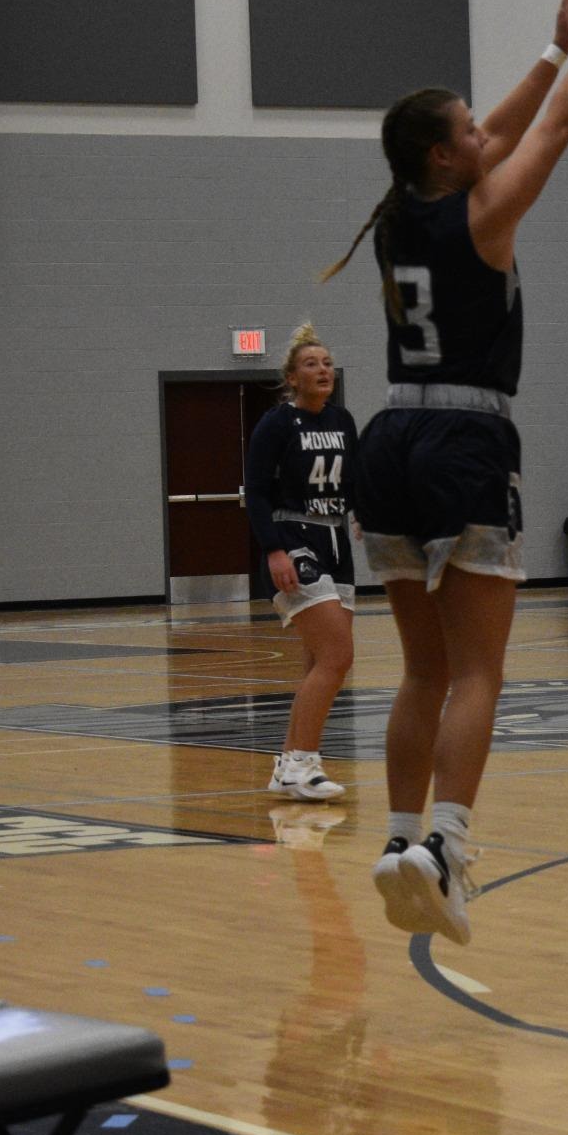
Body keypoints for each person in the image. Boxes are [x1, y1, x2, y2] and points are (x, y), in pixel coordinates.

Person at [321, 0, 568, 944]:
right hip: (465, 439)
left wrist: (553, 46)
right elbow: (552, 132)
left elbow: (501, 130)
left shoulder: (397, 215)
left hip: (390, 437)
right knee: (479, 672)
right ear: (443, 155)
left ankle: (398, 841)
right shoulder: (486, 214)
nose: (484, 135)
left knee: (422, 670)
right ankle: (448, 848)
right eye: (468, 130)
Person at [245, 325, 363, 804]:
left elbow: (353, 478)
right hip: (294, 538)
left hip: (336, 541)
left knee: (320, 660)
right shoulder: (276, 424)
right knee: (338, 656)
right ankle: (303, 762)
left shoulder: (342, 420)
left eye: (327, 363)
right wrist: (274, 549)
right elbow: (256, 492)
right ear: (292, 378)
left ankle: (288, 764)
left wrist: (362, 510)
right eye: (311, 364)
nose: (323, 370)